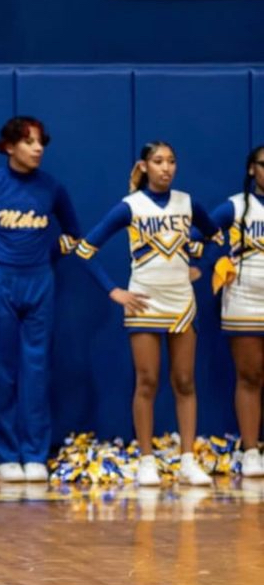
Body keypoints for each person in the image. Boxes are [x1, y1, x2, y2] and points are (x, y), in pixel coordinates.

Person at [76, 140, 222, 487]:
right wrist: (115, 291)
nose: (167, 168)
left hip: (182, 302)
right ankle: (145, 460)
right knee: (147, 381)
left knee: (185, 381)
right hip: (144, 301)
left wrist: (199, 264)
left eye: (172, 161)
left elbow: (218, 236)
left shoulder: (188, 203)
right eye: (159, 161)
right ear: (144, 166)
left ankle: (187, 459)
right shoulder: (130, 206)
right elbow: (85, 250)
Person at [0, 117, 81, 483]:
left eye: (41, 142)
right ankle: (7, 453)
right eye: (29, 142)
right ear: (9, 146)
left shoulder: (52, 189)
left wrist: (44, 257)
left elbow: (73, 234)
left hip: (41, 281)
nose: (38, 148)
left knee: (37, 371)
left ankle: (35, 454)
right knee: (2, 371)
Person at [210, 145, 264, 477]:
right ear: (251, 170)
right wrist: (215, 262)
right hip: (244, 300)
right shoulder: (235, 206)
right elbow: (195, 235)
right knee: (250, 377)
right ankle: (251, 451)